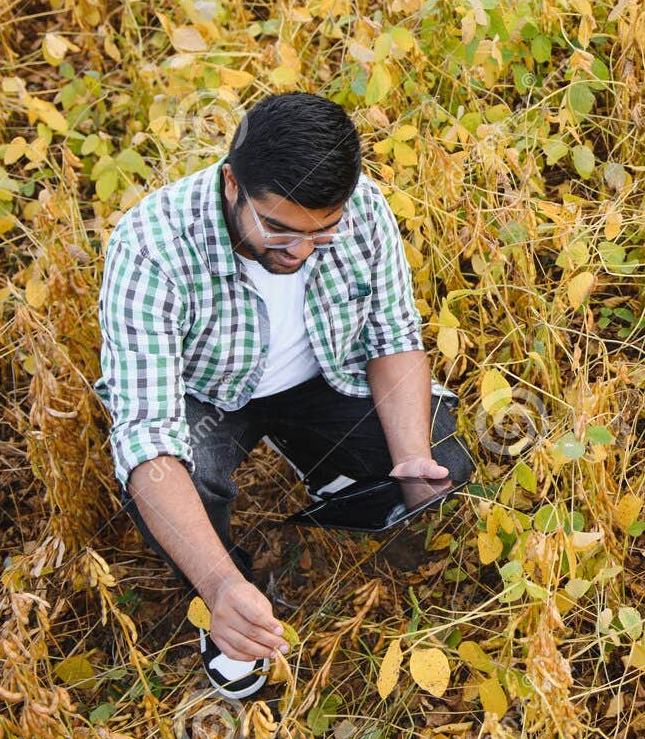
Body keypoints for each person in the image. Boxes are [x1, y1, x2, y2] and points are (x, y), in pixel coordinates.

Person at [94, 91, 474, 699]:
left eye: (321, 233)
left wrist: (408, 457)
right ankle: (230, 607)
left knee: (442, 462)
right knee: (183, 487)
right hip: (206, 398)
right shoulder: (149, 245)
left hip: (323, 378)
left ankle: (332, 471)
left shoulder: (366, 210)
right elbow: (146, 435)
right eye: (277, 229)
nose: (298, 250)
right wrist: (217, 584)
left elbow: (393, 335)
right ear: (230, 186)